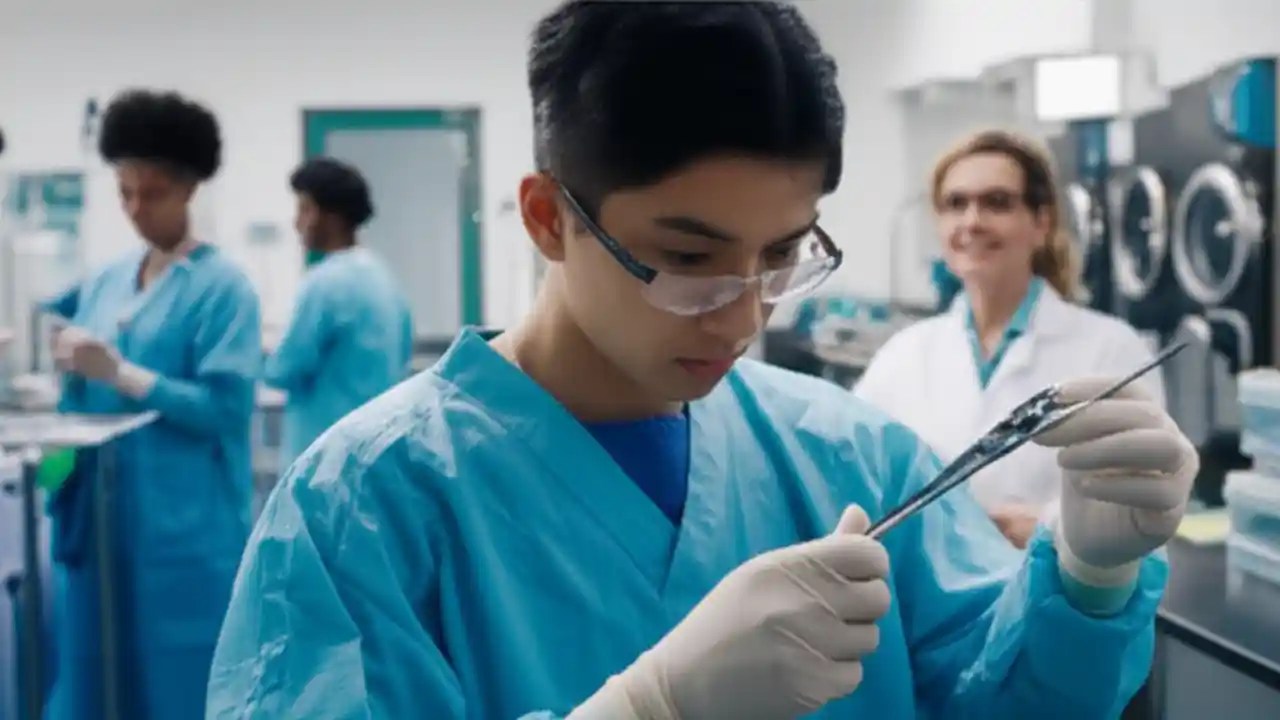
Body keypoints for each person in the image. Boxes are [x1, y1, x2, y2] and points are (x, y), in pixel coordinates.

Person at [206, 4, 1196, 719]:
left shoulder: (851, 456)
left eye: (779, 256)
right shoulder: (367, 510)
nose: (741, 317)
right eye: (686, 260)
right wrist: (648, 708)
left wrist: (1087, 577)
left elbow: (1005, 704)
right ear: (549, 218)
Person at [42, 89, 261, 720]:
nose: (137, 209)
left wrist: (126, 375)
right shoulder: (109, 279)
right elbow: (75, 398)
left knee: (178, 686)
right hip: (101, 528)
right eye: (125, 193)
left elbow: (225, 409)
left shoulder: (223, 290)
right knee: (92, 682)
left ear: (190, 189)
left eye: (153, 192)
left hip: (183, 534)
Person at [855, 130, 1166, 548]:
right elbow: (855, 477)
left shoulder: (1111, 349)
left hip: (1057, 593)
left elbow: (1144, 492)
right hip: (927, 602)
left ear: (1041, 223)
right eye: (955, 204)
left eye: (996, 202)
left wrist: (1053, 528)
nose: (972, 221)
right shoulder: (903, 355)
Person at [263, 157, 413, 469]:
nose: (297, 222)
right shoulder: (385, 281)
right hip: (375, 453)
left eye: (304, 209)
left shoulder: (324, 284)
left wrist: (259, 352)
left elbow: (283, 370)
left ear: (331, 216)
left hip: (323, 458)